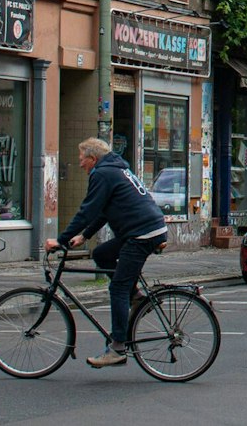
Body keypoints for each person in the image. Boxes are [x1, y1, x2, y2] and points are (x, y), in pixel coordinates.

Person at [47, 137, 169, 369]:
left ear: (93, 159)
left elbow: (87, 210)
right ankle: (136, 296)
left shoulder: (102, 174)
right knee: (102, 255)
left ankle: (118, 348)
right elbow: (103, 210)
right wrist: (84, 236)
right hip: (144, 228)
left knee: (117, 288)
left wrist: (61, 240)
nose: (80, 164)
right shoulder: (115, 169)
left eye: (82, 159)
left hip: (141, 234)